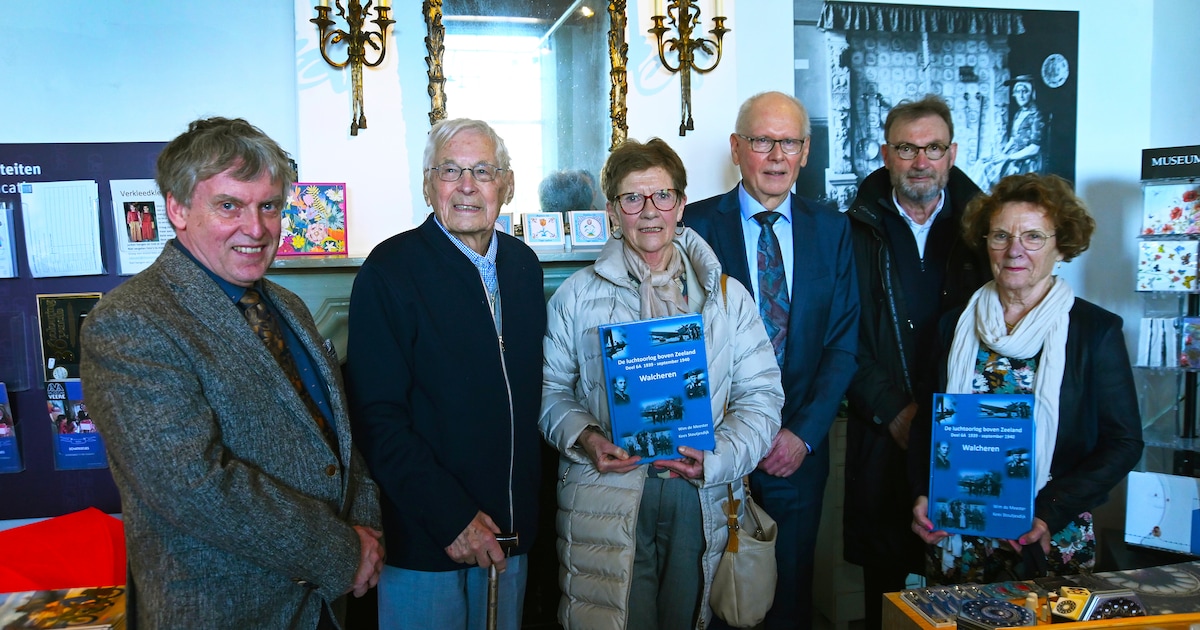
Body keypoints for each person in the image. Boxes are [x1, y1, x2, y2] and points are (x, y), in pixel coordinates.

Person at [80, 117, 383, 628]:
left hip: (322, 606)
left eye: (268, 205)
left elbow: (335, 436)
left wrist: (366, 527)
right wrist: (341, 552)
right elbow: (192, 485)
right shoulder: (130, 321)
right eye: (229, 206)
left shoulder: (285, 304)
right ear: (177, 209)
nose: (257, 228)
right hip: (225, 610)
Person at [540, 137, 783, 629]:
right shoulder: (574, 296)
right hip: (605, 497)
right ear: (612, 211)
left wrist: (716, 459)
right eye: (633, 198)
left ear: (682, 204)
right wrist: (587, 438)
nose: (649, 212)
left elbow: (761, 398)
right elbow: (550, 393)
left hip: (700, 496)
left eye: (662, 196)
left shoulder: (727, 297)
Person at [344, 118, 546, 630]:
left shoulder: (524, 266)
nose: (466, 186)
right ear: (428, 183)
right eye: (450, 170)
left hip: (511, 536)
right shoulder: (389, 270)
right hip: (427, 539)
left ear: (507, 183)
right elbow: (376, 417)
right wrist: (450, 517)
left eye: (482, 170)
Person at [912, 173, 1144, 584]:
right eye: (1000, 235)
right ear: (986, 243)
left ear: (1062, 245)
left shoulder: (1094, 331)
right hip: (960, 531)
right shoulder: (954, 327)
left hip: (1051, 530)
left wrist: (1048, 511)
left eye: (1033, 236)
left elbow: (1124, 443)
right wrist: (923, 494)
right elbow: (927, 426)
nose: (1014, 250)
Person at [685, 91, 859, 630]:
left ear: (806, 151)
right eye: (762, 141)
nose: (776, 155)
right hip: (711, 451)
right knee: (709, 598)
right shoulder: (690, 226)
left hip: (795, 456)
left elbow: (843, 342)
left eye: (788, 142)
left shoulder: (832, 229)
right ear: (738, 148)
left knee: (788, 601)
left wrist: (802, 434)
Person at [843, 94, 991, 629]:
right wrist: (897, 412)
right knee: (886, 594)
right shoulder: (852, 229)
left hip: (970, 438)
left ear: (951, 154)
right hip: (885, 434)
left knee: (968, 594)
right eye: (907, 148)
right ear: (886, 153)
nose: (920, 161)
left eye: (932, 148)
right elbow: (842, 338)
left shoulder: (987, 229)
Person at [980, 75, 1046, 190]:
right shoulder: (1018, 113)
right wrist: (999, 155)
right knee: (984, 164)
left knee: (993, 171)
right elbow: (1013, 139)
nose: (1021, 95)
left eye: (1024, 91)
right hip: (1012, 155)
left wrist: (1007, 157)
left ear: (1031, 93)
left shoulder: (1037, 115)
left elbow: (1034, 148)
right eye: (1017, 91)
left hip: (1026, 160)